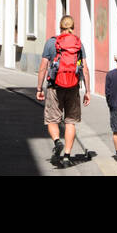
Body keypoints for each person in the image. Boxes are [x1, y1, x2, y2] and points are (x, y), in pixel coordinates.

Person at [36, 14, 91, 167]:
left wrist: (39, 88)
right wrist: (87, 90)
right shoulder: (78, 44)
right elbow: (85, 69)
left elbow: (43, 68)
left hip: (54, 86)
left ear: (60, 27)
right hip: (73, 87)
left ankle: (56, 141)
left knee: (52, 120)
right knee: (70, 122)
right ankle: (67, 155)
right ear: (73, 27)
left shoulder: (51, 43)